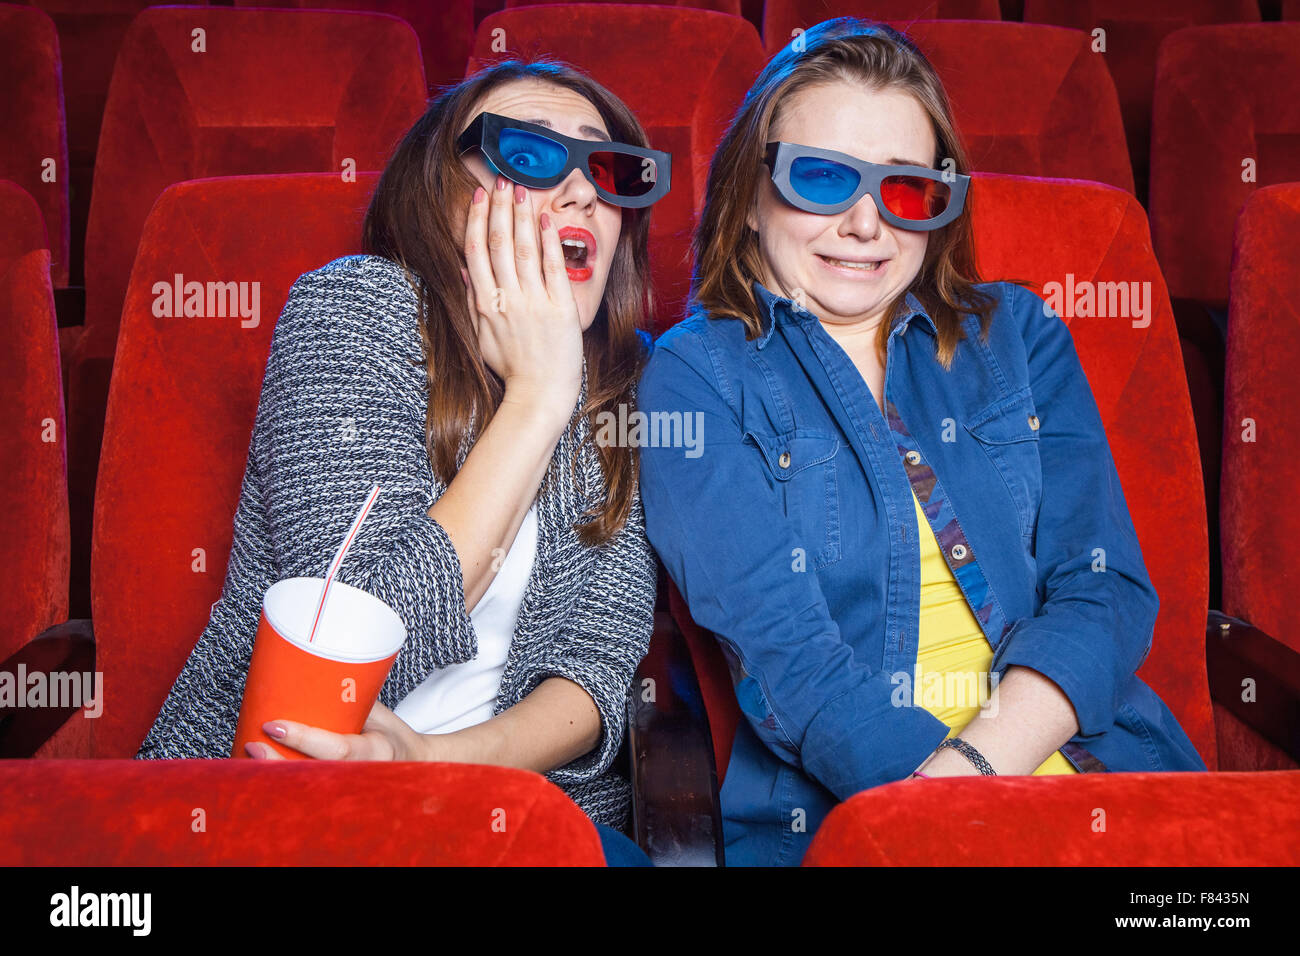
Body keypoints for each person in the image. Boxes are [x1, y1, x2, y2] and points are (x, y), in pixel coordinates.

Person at [637, 18, 1206, 868]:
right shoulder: (694, 377)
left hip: (1105, 779)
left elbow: (1107, 590)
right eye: (822, 178)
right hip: (870, 816)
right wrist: (957, 821)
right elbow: (795, 670)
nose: (867, 224)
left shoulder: (1021, 332)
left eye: (906, 190)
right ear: (749, 200)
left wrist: (984, 769)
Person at [136, 59, 672, 867]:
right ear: (438, 191)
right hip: (287, 802)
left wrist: (432, 762)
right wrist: (536, 398)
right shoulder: (354, 309)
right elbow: (352, 647)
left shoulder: (625, 384)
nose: (582, 193)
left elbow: (596, 668)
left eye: (606, 169)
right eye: (527, 155)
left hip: (513, 816)